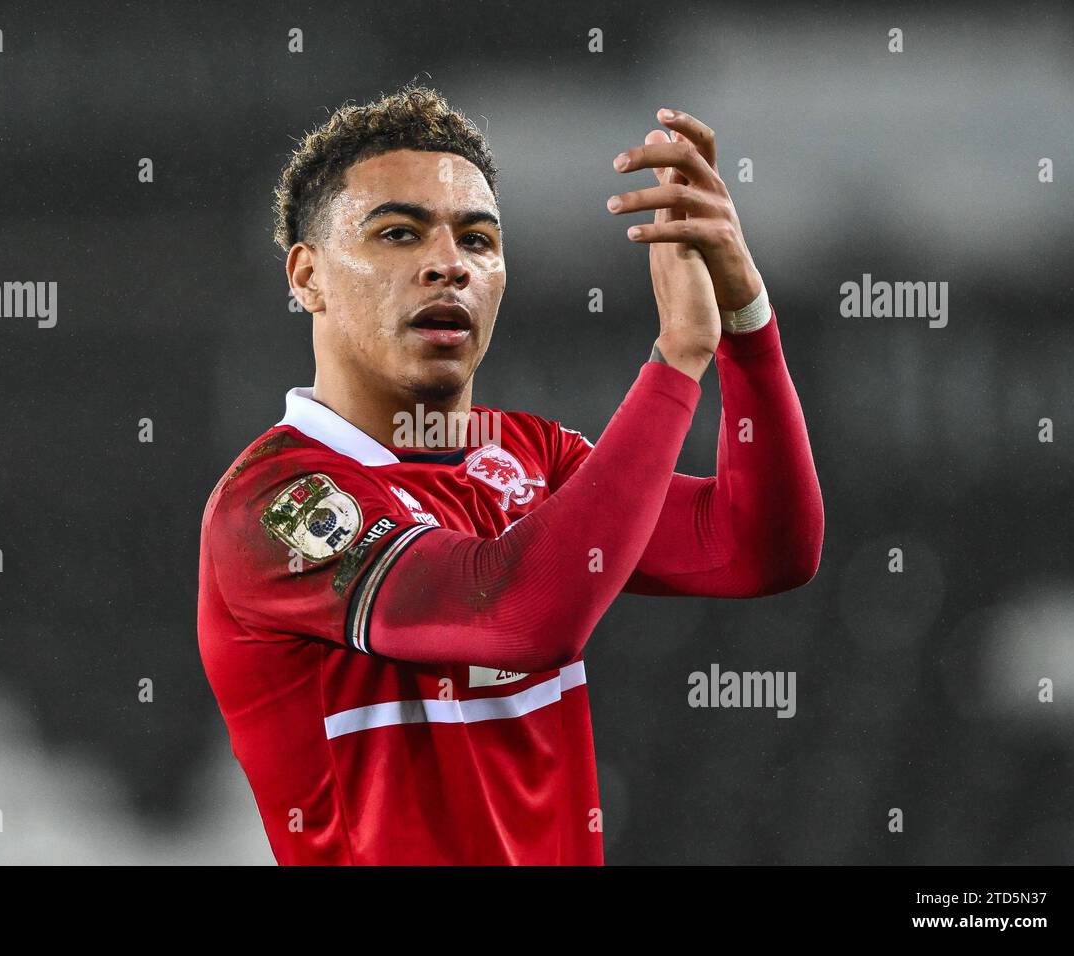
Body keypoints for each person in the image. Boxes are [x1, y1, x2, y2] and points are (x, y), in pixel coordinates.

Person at [197, 85, 823, 864]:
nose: (448, 265)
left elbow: (759, 548)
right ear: (307, 277)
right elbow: (520, 616)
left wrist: (745, 320)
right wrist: (676, 360)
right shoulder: (274, 505)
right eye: (399, 234)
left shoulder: (530, 454)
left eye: (479, 240)